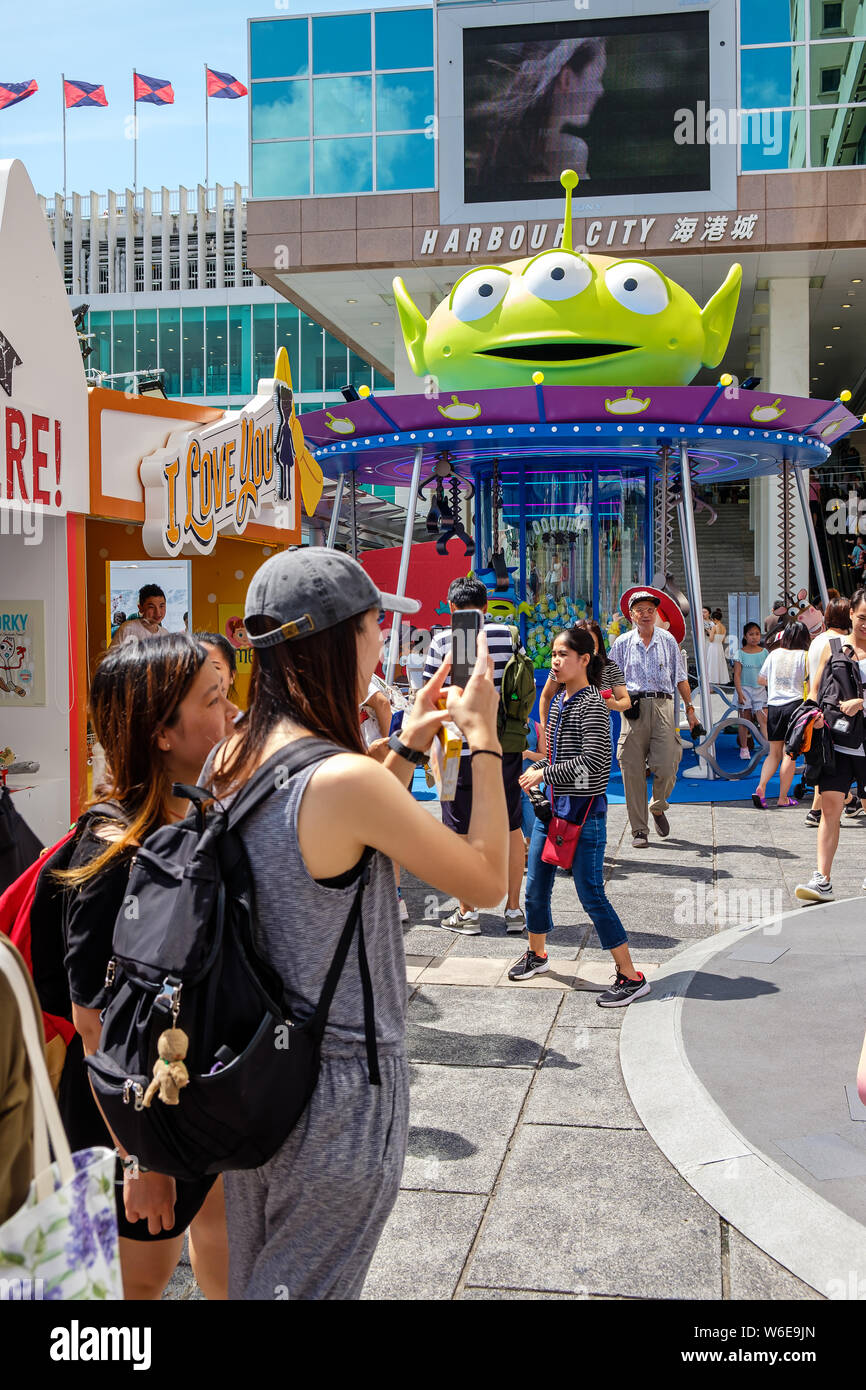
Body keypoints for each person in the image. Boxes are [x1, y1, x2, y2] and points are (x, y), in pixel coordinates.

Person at [207, 548, 507, 1299]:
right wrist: (484, 738)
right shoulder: (346, 778)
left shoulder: (228, 757)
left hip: (247, 1075)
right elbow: (489, 881)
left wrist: (403, 746)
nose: (384, 645)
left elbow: (329, 846)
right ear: (341, 639)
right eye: (377, 628)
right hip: (341, 1089)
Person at [56, 635, 235, 1299]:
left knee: (218, 1227)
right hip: (126, 1116)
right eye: (214, 700)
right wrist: (141, 1157)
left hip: (187, 1097)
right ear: (162, 732)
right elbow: (91, 1024)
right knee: (139, 1286)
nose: (231, 712)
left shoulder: (196, 810)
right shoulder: (109, 852)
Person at [516, 626, 648, 1005]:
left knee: (591, 894)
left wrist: (545, 772)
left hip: (584, 814)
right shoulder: (560, 701)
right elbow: (563, 759)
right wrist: (540, 764)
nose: (555, 662)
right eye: (554, 654)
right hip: (554, 811)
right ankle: (537, 954)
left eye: (563, 655)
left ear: (585, 660)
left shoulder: (591, 704)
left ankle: (631, 975)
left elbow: (595, 765)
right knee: (535, 887)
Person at [422, 575, 529, 935]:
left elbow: (430, 694)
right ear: (486, 607)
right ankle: (514, 911)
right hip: (501, 746)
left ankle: (468, 912)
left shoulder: (441, 640)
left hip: (454, 748)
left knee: (458, 829)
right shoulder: (509, 635)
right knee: (512, 826)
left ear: (451, 607)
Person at [608, 589, 699, 848]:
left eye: (651, 610)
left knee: (669, 762)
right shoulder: (622, 643)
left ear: (656, 613)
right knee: (631, 768)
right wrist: (620, 701)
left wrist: (690, 711)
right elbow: (612, 677)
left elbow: (680, 677)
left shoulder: (668, 640)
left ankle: (657, 806)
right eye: (640, 611)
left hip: (663, 705)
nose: (646, 615)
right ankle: (639, 829)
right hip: (633, 707)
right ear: (631, 615)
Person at [796, 588, 866, 902]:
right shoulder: (833, 647)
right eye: (862, 617)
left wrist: (861, 703)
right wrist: (813, 719)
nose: (865, 624)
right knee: (830, 810)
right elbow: (815, 694)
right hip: (837, 742)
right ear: (850, 613)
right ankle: (822, 879)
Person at [537, 618, 631, 754]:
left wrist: (611, 703)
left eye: (591, 643)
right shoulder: (562, 668)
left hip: (598, 726)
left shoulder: (609, 667)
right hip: (566, 725)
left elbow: (625, 701)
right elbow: (546, 696)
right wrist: (544, 727)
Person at [803, 598, 852, 825]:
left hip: (817, 704)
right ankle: (824, 809)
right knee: (832, 760)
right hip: (836, 708)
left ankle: (823, 809)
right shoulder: (841, 641)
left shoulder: (817, 640)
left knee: (825, 758)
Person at [751, 621, 810, 809]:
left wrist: (777, 682)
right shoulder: (804, 656)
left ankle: (761, 787)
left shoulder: (774, 654)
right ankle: (783, 797)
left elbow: (761, 679)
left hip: (774, 705)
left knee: (773, 753)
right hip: (795, 705)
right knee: (789, 754)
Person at [195, 630, 242, 737]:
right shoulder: (178, 725)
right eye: (198, 666)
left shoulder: (246, 726)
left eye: (215, 667)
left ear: (232, 676)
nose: (206, 674)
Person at [732, 622, 768, 760]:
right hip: (744, 689)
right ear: (745, 636)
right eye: (751, 634)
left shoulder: (764, 652)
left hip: (760, 689)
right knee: (744, 720)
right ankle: (744, 747)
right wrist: (740, 693)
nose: (754, 637)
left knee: (763, 719)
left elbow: (767, 673)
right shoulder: (739, 653)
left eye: (757, 634)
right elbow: (737, 675)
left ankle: (768, 746)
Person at [705, 608, 730, 684]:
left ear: (714, 619)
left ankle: (712, 683)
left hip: (713, 647)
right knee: (719, 664)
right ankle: (718, 682)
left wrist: (709, 631)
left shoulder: (714, 627)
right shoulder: (724, 628)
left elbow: (711, 639)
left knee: (712, 665)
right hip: (720, 648)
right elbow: (723, 640)